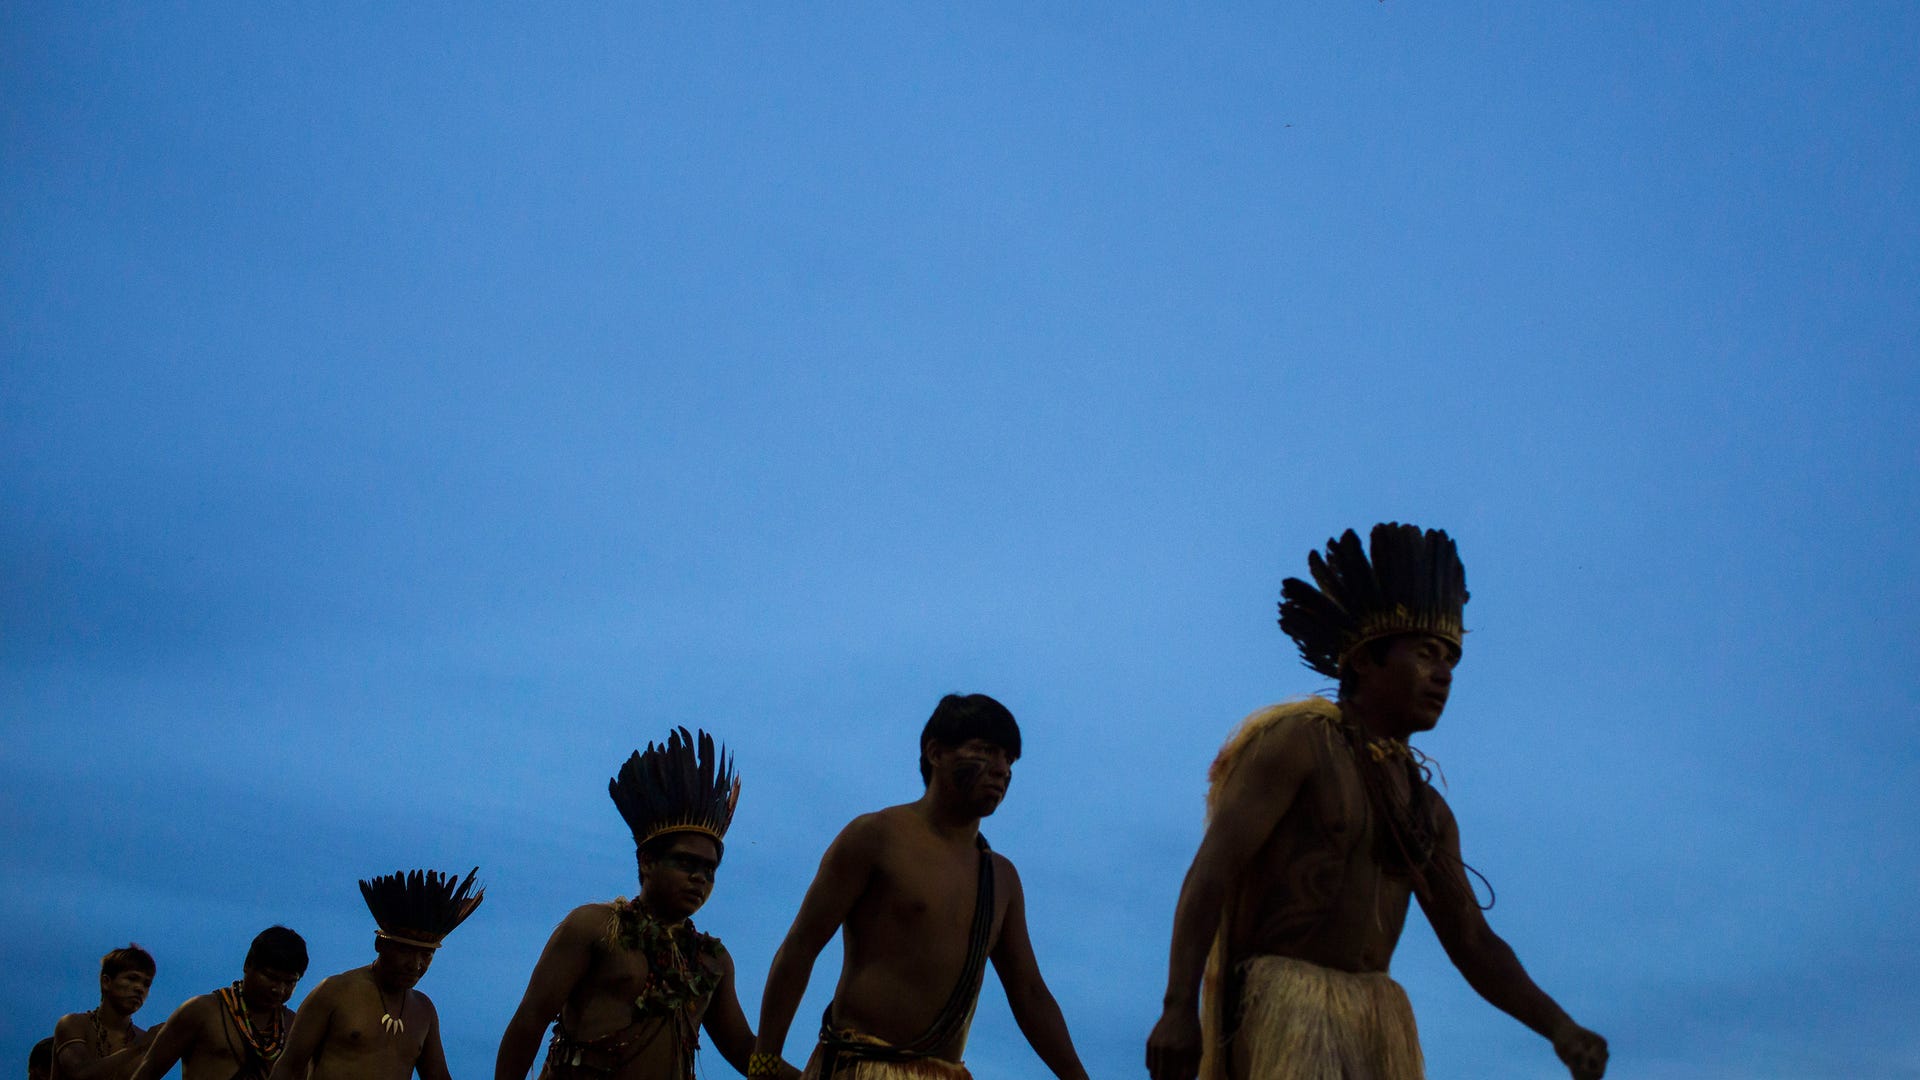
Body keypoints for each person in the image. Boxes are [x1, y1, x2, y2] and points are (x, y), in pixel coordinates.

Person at [1145, 523, 1611, 1080]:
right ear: (1365, 660)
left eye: (1451, 662)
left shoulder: (1426, 809)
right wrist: (1177, 1008)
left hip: (1376, 1020)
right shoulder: (1298, 744)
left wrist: (1559, 1028)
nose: (1443, 676)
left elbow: (1472, 940)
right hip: (1282, 1011)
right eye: (1426, 653)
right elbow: (1211, 874)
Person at [752, 693, 1089, 1080]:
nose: (1001, 770)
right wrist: (764, 1061)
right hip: (859, 1068)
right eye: (986, 750)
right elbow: (800, 947)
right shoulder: (876, 837)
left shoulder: (1001, 878)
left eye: (1009, 760)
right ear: (936, 753)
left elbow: (1029, 993)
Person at [495, 728, 792, 1080]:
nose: (699, 878)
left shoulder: (712, 961)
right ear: (647, 861)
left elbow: (743, 1049)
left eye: (709, 870)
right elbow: (530, 1020)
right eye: (686, 863)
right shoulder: (592, 928)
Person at [267, 868, 483, 1080]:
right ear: (380, 944)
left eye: (426, 955)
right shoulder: (334, 993)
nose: (415, 965)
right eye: (406, 951)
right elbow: (288, 1068)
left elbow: (438, 1076)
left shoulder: (423, 1010)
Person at [127, 926, 308, 1080]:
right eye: (271, 977)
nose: (279, 989)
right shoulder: (202, 1012)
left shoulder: (294, 1027)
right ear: (248, 965)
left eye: (290, 982)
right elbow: (147, 1073)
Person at [51, 945, 158, 1080]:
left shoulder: (144, 1040)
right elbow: (79, 1073)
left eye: (146, 984)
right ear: (106, 982)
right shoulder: (74, 1025)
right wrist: (137, 1049)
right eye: (131, 978)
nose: (140, 988)